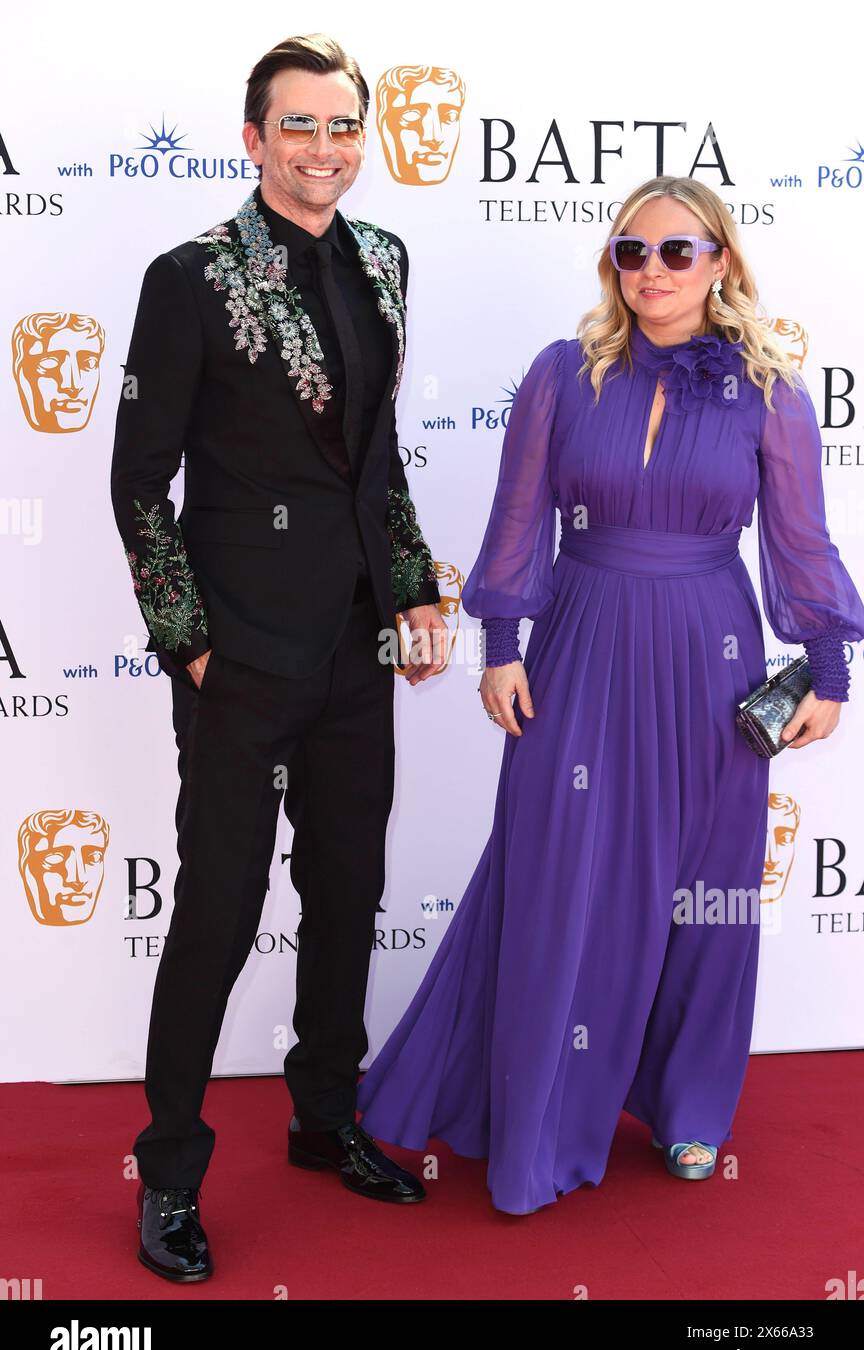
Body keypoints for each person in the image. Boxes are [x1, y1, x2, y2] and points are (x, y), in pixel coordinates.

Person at [357, 174, 864, 1216]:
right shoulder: (562, 373)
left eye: (677, 251)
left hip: (709, 648)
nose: (651, 272)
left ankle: (689, 1108)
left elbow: (800, 543)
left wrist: (830, 666)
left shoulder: (769, 389)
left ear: (720, 261)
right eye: (632, 252)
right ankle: (536, 1113)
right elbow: (520, 514)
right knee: (557, 870)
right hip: (579, 643)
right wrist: (502, 643)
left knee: (706, 885)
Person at [110, 33, 447, 1282]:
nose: (323, 147)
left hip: (357, 645)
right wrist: (189, 646)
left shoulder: (387, 261)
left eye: (342, 124)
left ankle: (323, 1119)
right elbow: (138, 482)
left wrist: (412, 588)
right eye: (298, 125)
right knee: (217, 905)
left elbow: (379, 458)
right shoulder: (189, 277)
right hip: (240, 655)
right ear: (253, 139)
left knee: (349, 888)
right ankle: (171, 1171)